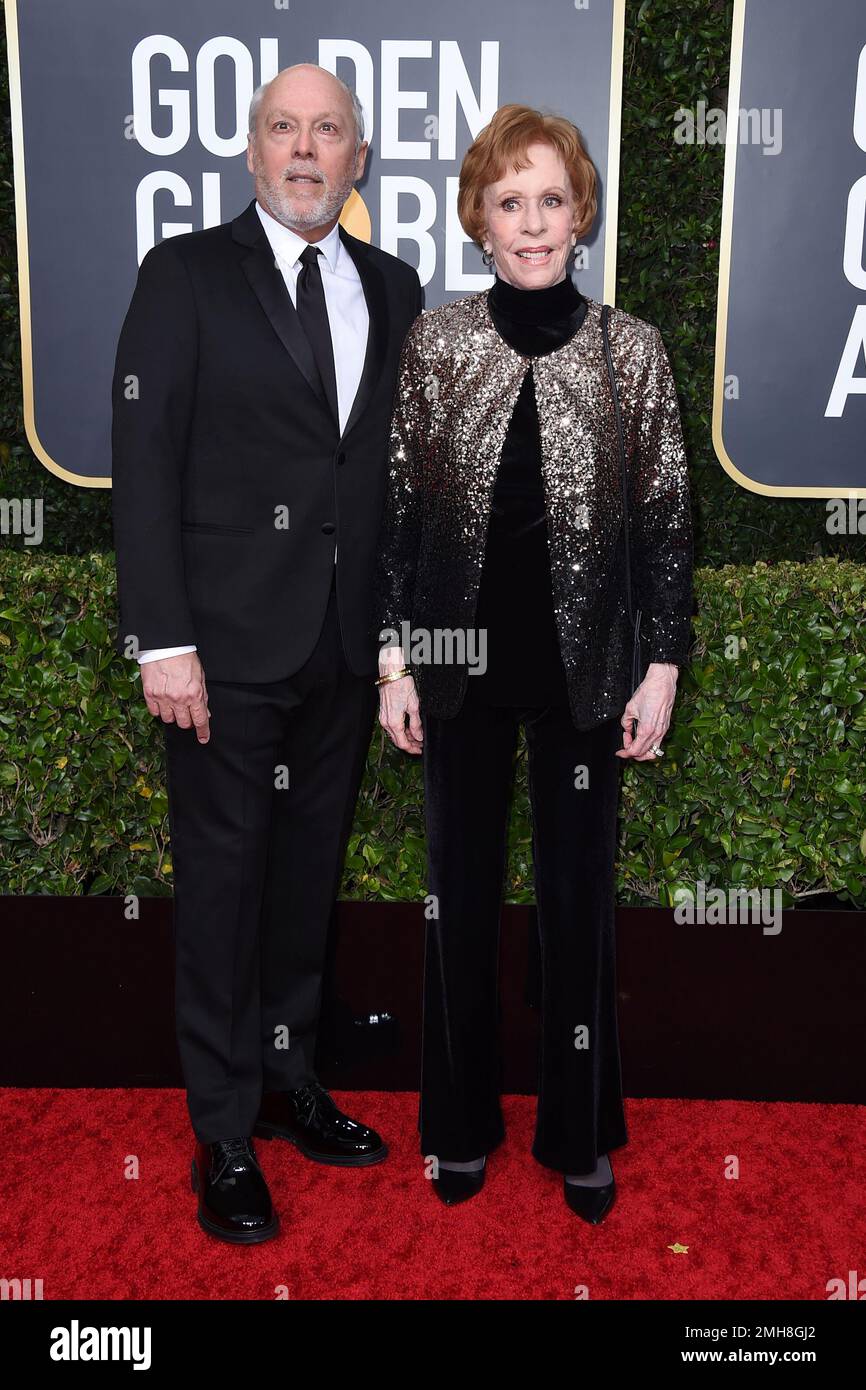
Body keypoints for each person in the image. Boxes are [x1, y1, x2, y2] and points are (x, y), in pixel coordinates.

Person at [111, 64, 422, 1243]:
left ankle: (290, 1083)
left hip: (341, 648)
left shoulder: (393, 288)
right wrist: (165, 639)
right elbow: (143, 462)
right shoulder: (184, 274)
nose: (305, 150)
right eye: (283, 130)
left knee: (305, 881)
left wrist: (393, 647)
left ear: (356, 159)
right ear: (251, 152)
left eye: (327, 132)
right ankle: (224, 1129)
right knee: (225, 888)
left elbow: (396, 483)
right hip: (221, 652)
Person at [374, 104, 693, 1224]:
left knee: (574, 904)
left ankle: (577, 1130)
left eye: (550, 199)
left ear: (579, 213)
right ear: (478, 216)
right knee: (454, 899)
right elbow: (401, 517)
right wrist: (392, 659)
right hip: (455, 666)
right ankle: (456, 1124)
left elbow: (661, 520)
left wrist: (659, 663)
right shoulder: (437, 343)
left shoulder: (630, 349)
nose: (531, 221)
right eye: (508, 200)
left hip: (583, 673)